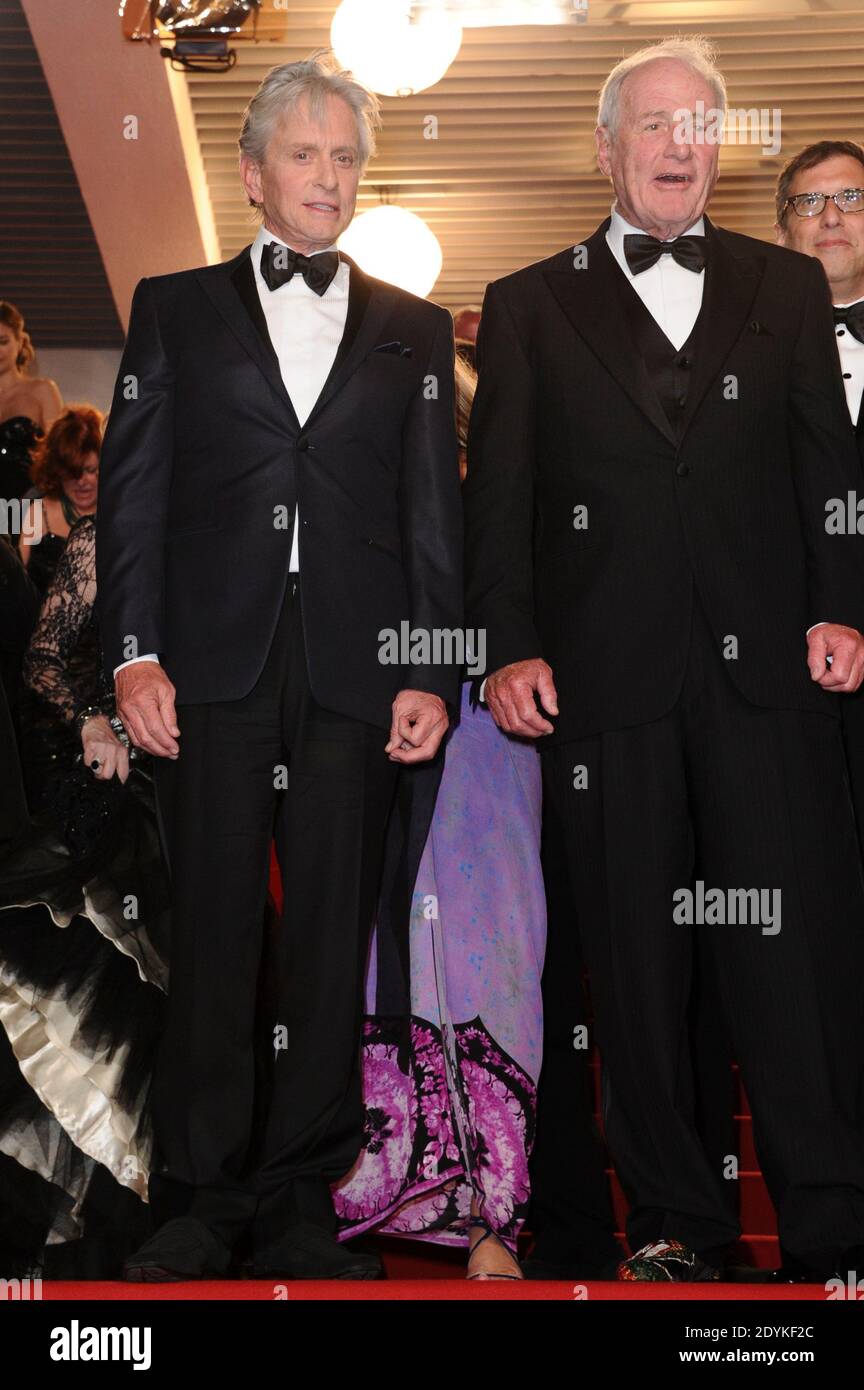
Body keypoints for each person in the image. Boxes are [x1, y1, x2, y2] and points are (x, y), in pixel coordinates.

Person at [463, 35, 864, 1283]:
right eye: (657, 123)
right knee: (633, 967)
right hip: (604, 687)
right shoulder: (530, 301)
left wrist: (844, 605)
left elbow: (828, 476)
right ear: (607, 146)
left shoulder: (785, 287)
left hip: (772, 683)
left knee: (790, 958)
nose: (684, 143)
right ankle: (679, 1224)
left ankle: (835, 1220)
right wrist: (507, 646)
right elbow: (504, 501)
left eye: (703, 124)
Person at [97, 52, 463, 1283]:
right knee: (209, 925)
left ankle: (306, 1190)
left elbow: (432, 519)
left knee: (328, 936)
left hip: (361, 667)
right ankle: (200, 1191)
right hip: (208, 661)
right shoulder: (173, 306)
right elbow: (132, 500)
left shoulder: (415, 329)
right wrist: (134, 654)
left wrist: (430, 668)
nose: (329, 176)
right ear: (252, 175)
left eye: (347, 156)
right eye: (304, 155)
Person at [333, 354, 546, 1281]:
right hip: (381, 741)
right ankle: (390, 1178)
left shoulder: (508, 513)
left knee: (494, 956)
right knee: (389, 952)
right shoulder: (361, 512)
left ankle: (495, 1210)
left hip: (490, 747)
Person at [0, 513, 170, 1277]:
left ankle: (160, 1217)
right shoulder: (113, 532)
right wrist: (93, 718)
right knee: (84, 973)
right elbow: (43, 656)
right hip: (106, 786)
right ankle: (70, 1233)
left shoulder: (244, 523)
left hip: (205, 796)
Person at [775, 141, 864, 869]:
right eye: (810, 202)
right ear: (783, 231)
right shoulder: (741, 357)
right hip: (791, 673)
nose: (831, 216)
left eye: (853, 199)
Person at [19, 405, 102, 596]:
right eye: (73, 473)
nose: (82, 482)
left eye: (90, 470)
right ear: (58, 471)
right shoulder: (37, 510)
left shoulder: (117, 517)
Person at [0, 301, 62, 512]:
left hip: (30, 506)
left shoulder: (42, 390)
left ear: (19, 342)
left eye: (3, 341)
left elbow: (62, 453)